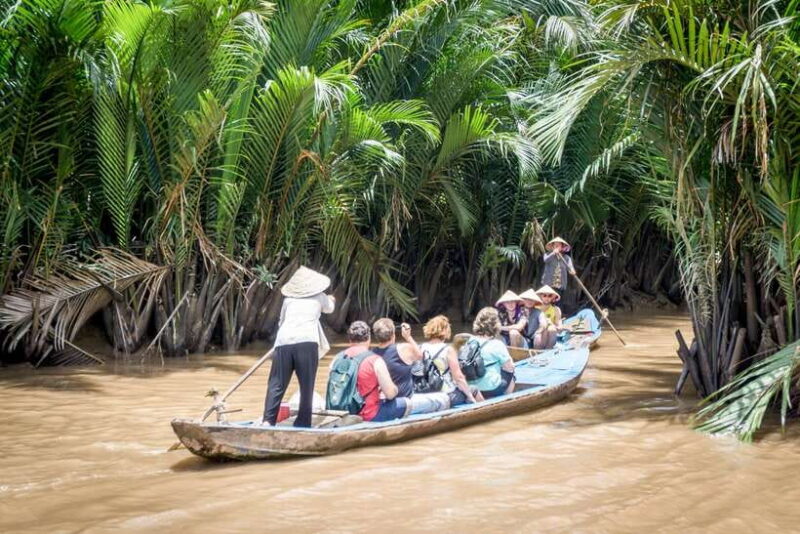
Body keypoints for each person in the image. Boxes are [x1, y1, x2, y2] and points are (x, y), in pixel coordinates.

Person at [262, 266, 335, 427]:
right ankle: (302, 422)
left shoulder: (288, 300)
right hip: (307, 342)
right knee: (306, 384)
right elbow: (329, 308)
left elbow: (282, 322)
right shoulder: (320, 296)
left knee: (276, 383)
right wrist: (332, 299)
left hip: (284, 341)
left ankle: (268, 421)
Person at [331, 321, 409, 422]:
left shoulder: (336, 359)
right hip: (368, 415)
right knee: (408, 402)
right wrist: (396, 389)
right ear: (369, 339)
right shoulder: (374, 360)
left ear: (350, 340)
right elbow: (390, 394)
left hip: (341, 413)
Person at [372, 318, 450, 415]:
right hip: (406, 400)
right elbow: (420, 356)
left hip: (385, 400)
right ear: (393, 334)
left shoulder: (372, 354)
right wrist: (408, 336)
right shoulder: (403, 348)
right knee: (445, 399)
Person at [419, 315, 481, 406]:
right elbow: (459, 377)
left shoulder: (421, 347)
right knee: (473, 389)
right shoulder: (448, 350)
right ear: (444, 331)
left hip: (426, 392)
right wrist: (470, 397)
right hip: (447, 394)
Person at [466, 307, 515, 399]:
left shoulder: (469, 341)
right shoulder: (497, 344)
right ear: (496, 325)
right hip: (492, 389)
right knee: (512, 372)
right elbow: (510, 367)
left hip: (471, 388)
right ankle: (507, 399)